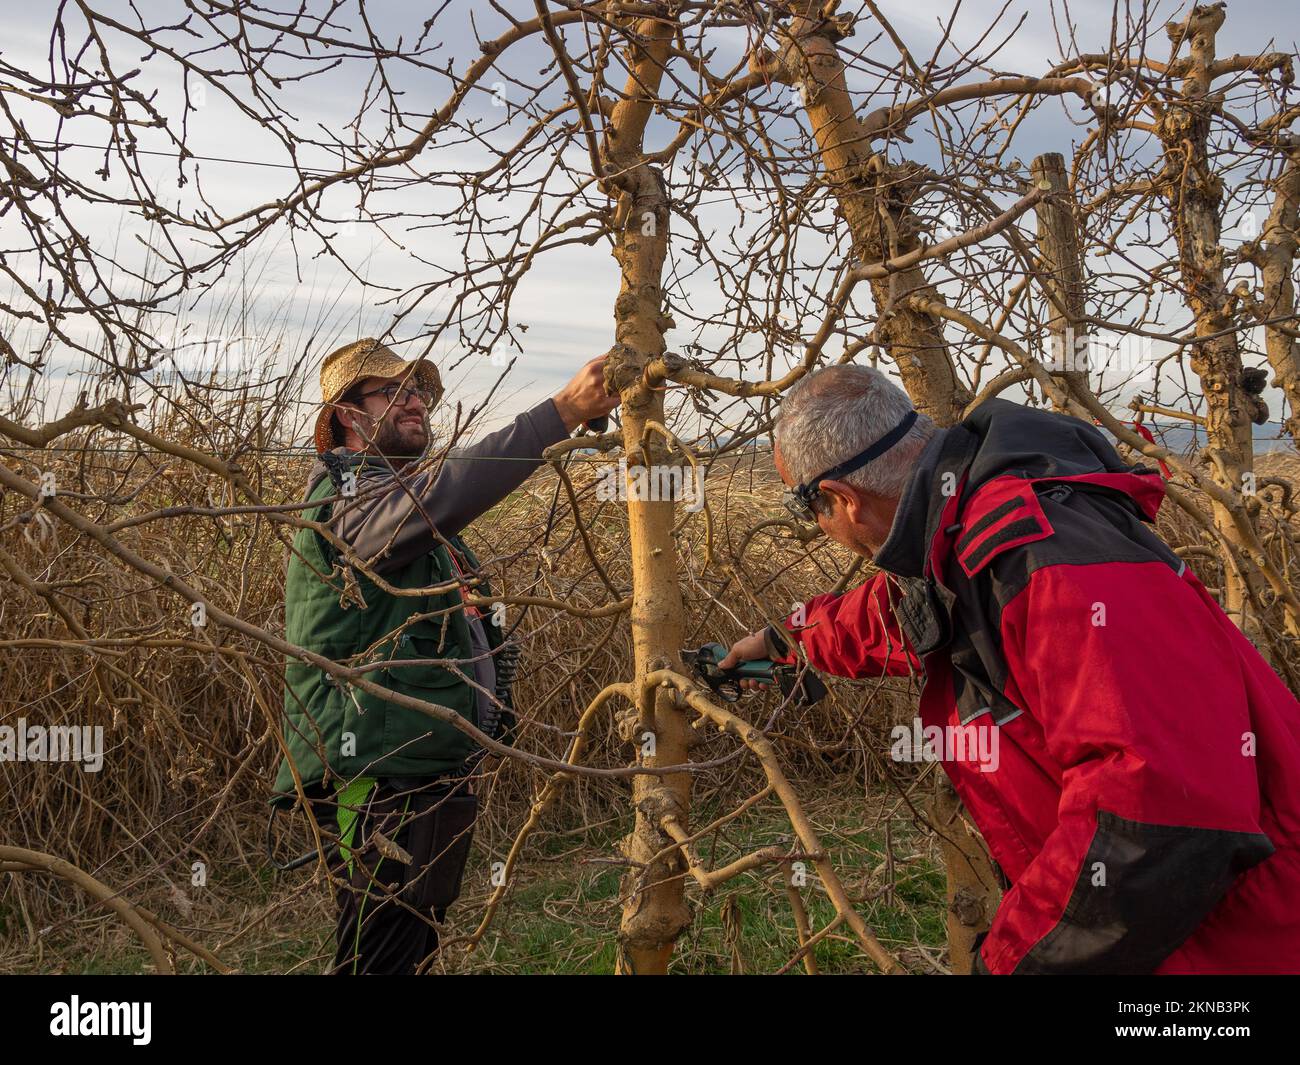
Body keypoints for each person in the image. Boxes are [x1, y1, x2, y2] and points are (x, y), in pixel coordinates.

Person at [721, 363, 1300, 974]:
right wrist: (789, 639)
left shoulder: (1053, 562)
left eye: (805, 506)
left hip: (1241, 944)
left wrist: (1013, 963)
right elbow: (917, 610)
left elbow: (1156, 811)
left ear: (842, 498)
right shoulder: (975, 523)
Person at [271, 337, 617, 974]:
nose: (416, 402)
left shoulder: (395, 499)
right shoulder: (347, 497)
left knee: (409, 941)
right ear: (349, 415)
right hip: (376, 768)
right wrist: (561, 412)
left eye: (420, 391)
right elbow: (450, 491)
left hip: (421, 761)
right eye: (393, 392)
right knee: (381, 953)